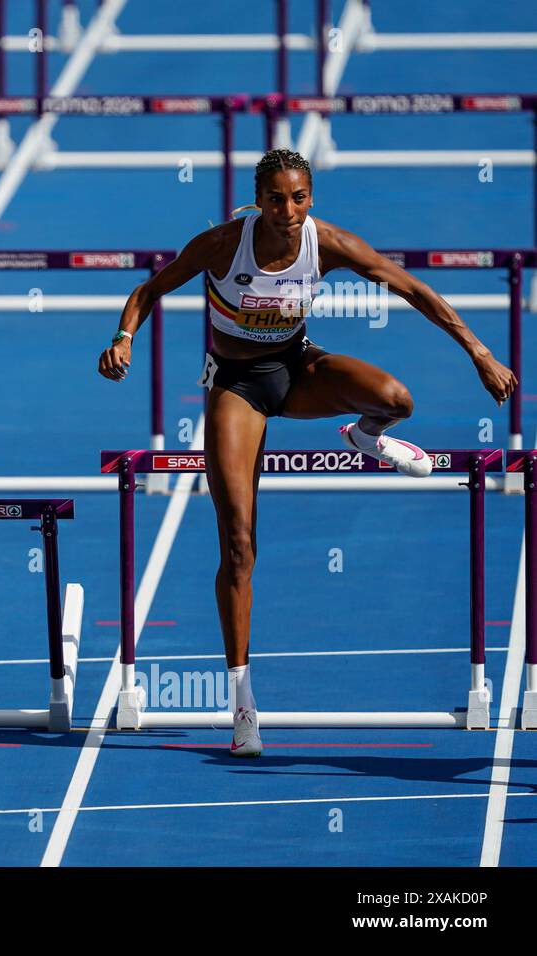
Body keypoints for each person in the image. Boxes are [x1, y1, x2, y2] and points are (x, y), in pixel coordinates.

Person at [97, 148, 516, 757]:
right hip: (237, 387)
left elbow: (411, 288)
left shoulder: (329, 243)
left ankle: (366, 436)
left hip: (298, 370)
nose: (288, 211)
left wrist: (477, 351)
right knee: (238, 544)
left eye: (298, 198)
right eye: (276, 199)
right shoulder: (221, 245)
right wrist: (122, 337)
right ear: (258, 199)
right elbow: (149, 288)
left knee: (396, 398)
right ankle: (243, 705)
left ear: (310, 198)